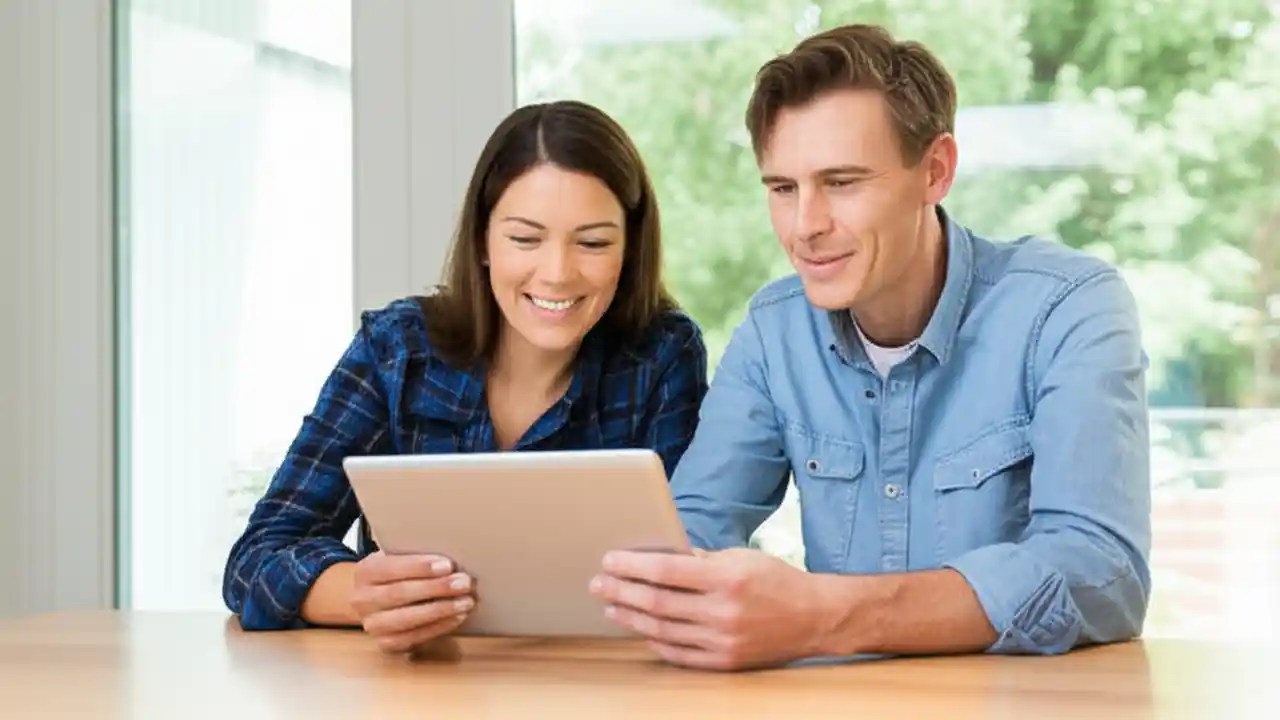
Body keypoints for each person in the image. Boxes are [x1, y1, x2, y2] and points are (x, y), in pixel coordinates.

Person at [591, 23, 1151, 670]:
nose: (806, 227)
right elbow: (688, 536)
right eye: (782, 188)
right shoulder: (775, 333)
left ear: (935, 171)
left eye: (843, 182)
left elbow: (1101, 573)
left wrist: (823, 614)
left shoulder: (1067, 308)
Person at [224, 100, 709, 653]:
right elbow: (255, 559)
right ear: (482, 241)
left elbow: (686, 567)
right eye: (525, 239)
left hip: (601, 688)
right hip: (418, 693)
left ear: (630, 247)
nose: (556, 273)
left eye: (593, 242)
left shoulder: (663, 355)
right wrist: (364, 593)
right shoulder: (397, 350)